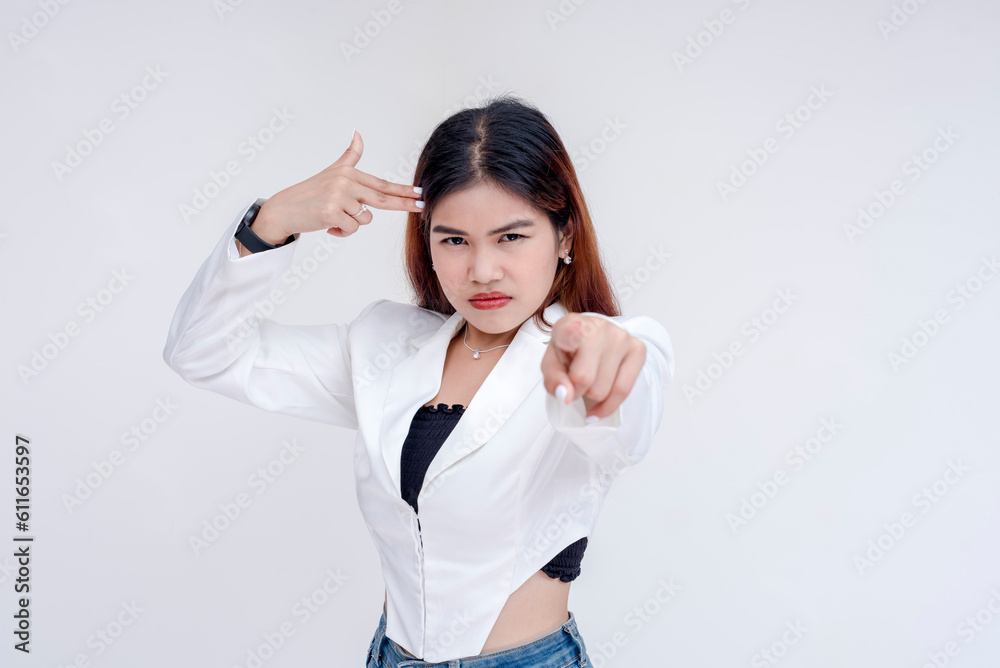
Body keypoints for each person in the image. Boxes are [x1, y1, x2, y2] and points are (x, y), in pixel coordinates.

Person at [163, 94, 674, 667]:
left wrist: (599, 359)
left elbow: (623, 414)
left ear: (565, 238)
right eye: (454, 239)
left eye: (511, 236)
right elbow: (200, 351)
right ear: (426, 243)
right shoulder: (384, 347)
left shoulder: (602, 347)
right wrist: (271, 222)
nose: (481, 270)